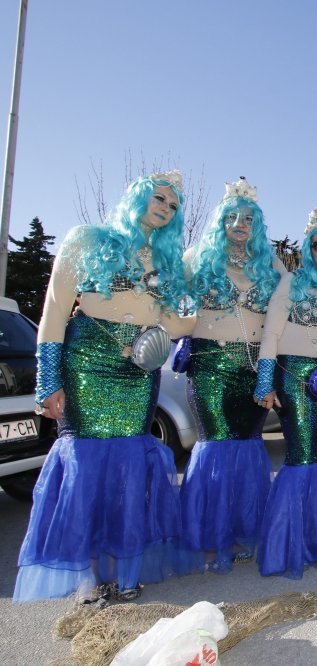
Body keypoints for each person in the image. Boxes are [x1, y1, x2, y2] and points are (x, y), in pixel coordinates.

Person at [16, 171, 195, 602]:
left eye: (173, 206)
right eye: (159, 198)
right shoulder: (87, 240)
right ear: (137, 196)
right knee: (86, 470)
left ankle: (128, 569)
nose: (165, 208)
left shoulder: (168, 261)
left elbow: (182, 321)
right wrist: (48, 381)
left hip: (138, 371)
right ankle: (84, 577)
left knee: (130, 469)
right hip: (87, 365)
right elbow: (55, 314)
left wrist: (165, 326)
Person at [181, 177, 282, 572]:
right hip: (210, 365)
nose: (240, 224)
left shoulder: (269, 264)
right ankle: (209, 537)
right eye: (233, 217)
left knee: (249, 444)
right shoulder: (198, 258)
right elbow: (159, 295)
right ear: (221, 220)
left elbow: (292, 302)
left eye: (248, 219)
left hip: (255, 366)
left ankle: (244, 532)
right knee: (217, 445)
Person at [254, 206, 317, 578]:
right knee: (301, 455)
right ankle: (287, 546)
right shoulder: (292, 281)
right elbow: (271, 333)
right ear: (309, 249)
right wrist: (265, 380)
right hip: (295, 376)